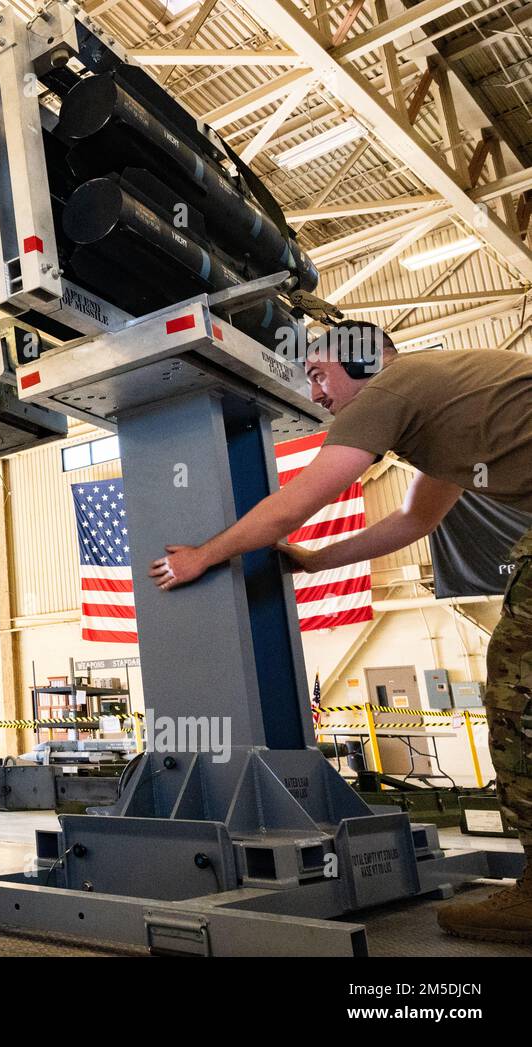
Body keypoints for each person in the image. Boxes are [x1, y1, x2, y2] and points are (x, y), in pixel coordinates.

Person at [146, 320, 532, 944]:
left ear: (364, 365)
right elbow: (415, 519)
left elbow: (301, 500)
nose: (316, 394)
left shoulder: (392, 392)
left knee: (519, 704)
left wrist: (204, 555)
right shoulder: (437, 407)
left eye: (320, 375)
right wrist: (318, 561)